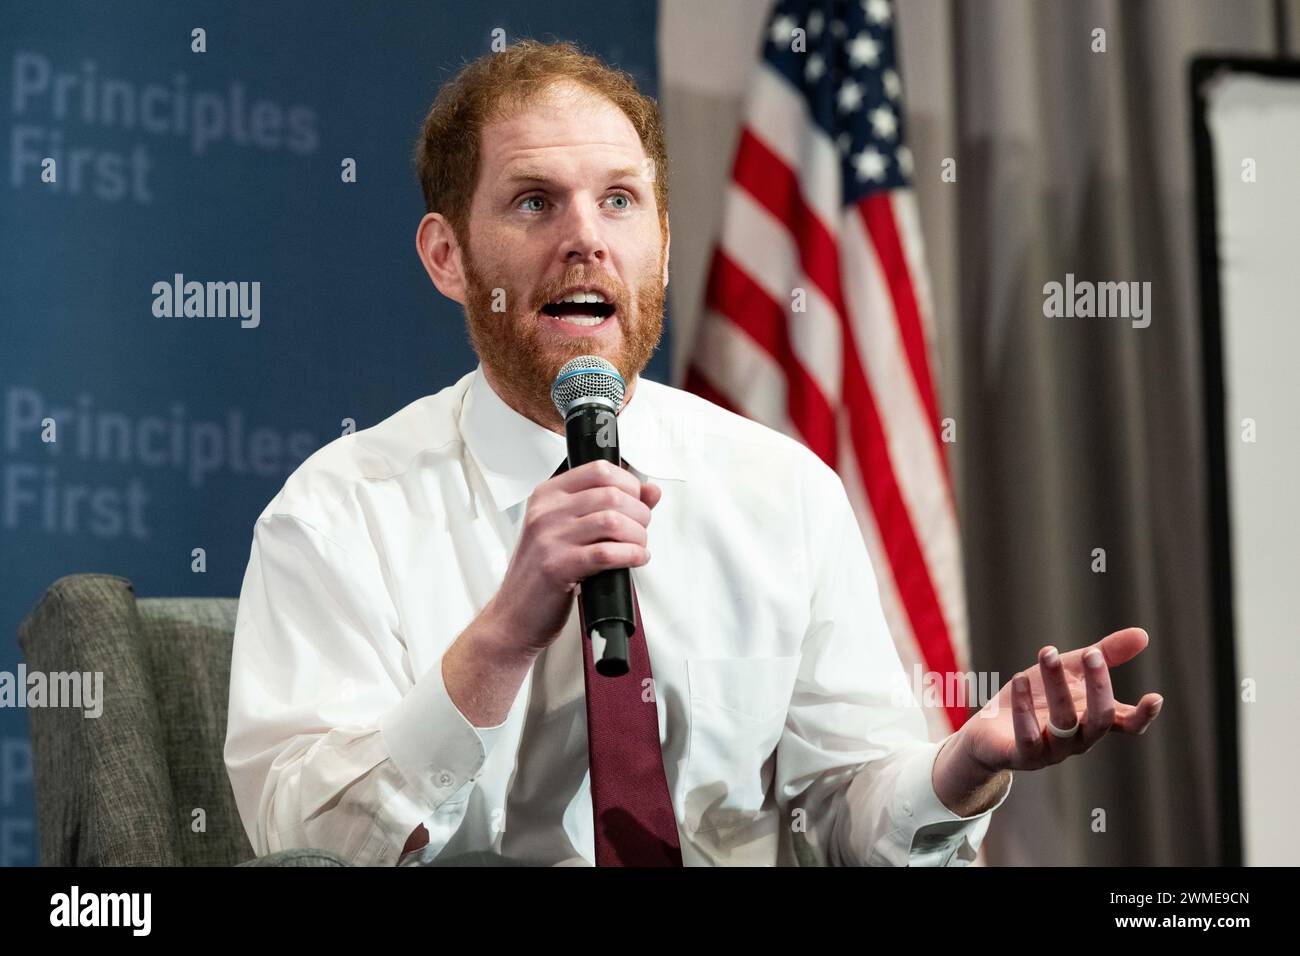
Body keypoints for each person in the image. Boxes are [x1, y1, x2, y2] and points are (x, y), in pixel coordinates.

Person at [223, 39, 1163, 867]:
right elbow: (305, 848)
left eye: (620, 202)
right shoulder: (339, 512)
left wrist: (965, 766)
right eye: (535, 202)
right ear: (448, 257)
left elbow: (848, 815)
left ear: (664, 248)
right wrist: (502, 635)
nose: (585, 239)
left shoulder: (782, 489)